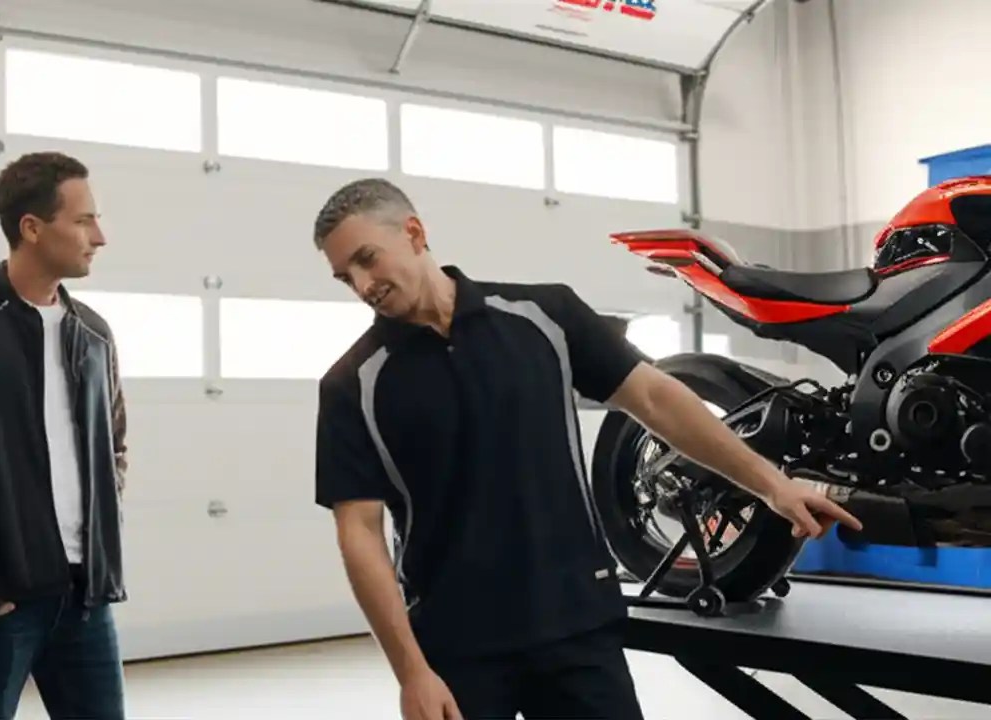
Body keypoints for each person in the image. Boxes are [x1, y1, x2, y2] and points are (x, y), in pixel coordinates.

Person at [311, 178, 862, 720]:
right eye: (345, 276)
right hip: (457, 647)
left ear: (413, 232)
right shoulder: (352, 385)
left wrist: (772, 485)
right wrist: (412, 673)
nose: (363, 285)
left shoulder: (543, 317)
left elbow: (657, 399)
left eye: (367, 259)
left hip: (576, 630)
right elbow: (359, 532)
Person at [0, 151, 128, 720]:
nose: (100, 236)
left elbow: (114, 446)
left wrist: (96, 546)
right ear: (32, 229)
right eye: (84, 220)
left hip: (84, 598)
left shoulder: (94, 333)